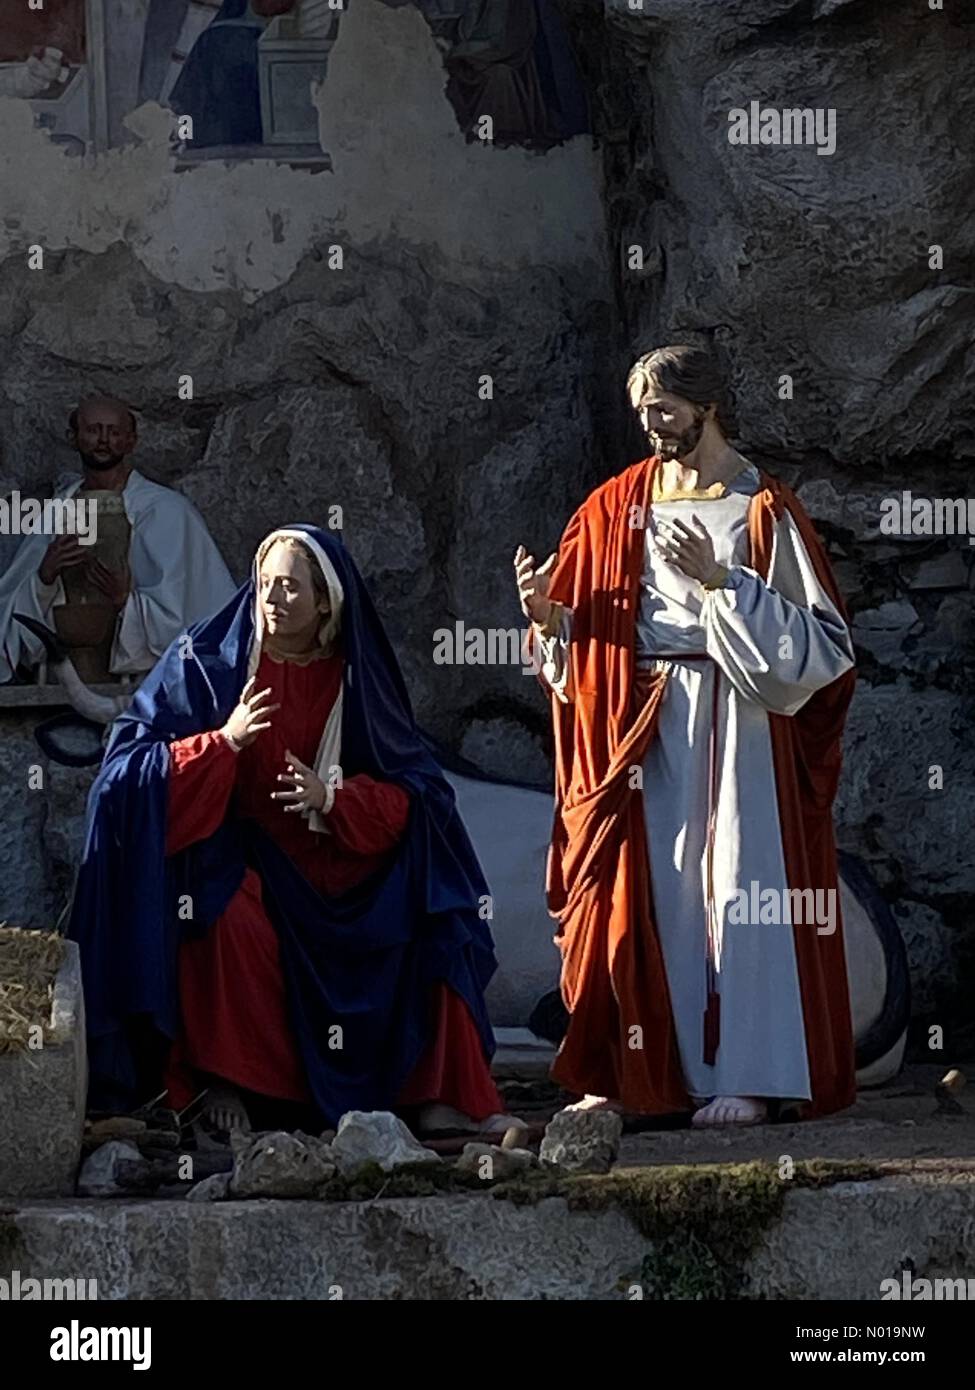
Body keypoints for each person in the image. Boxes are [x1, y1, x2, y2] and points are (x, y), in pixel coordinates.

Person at [69, 525, 513, 1138]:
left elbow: (420, 792)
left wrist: (334, 798)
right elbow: (125, 774)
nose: (271, 599)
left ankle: (435, 1089)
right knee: (221, 908)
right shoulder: (209, 661)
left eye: (288, 588)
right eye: (265, 585)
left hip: (339, 864)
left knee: (430, 896)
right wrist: (222, 744)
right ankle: (227, 1077)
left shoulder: (358, 679)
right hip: (246, 855)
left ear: (325, 603)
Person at [515, 344, 857, 1127]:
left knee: (742, 892)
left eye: (663, 410)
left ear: (706, 408)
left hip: (740, 724)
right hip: (639, 725)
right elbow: (578, 638)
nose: (651, 425)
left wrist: (721, 582)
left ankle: (748, 1073)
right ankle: (638, 1070)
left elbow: (824, 650)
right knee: (648, 891)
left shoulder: (763, 509)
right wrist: (550, 624)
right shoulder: (611, 508)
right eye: (641, 412)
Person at [0, 397, 236, 684]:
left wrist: (126, 602)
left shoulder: (167, 512)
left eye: (114, 432)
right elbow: (12, 618)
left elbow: (197, 619)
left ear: (130, 441)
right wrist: (44, 578)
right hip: (61, 684)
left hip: (143, 689)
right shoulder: (56, 513)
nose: (103, 440)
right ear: (73, 438)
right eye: (93, 430)